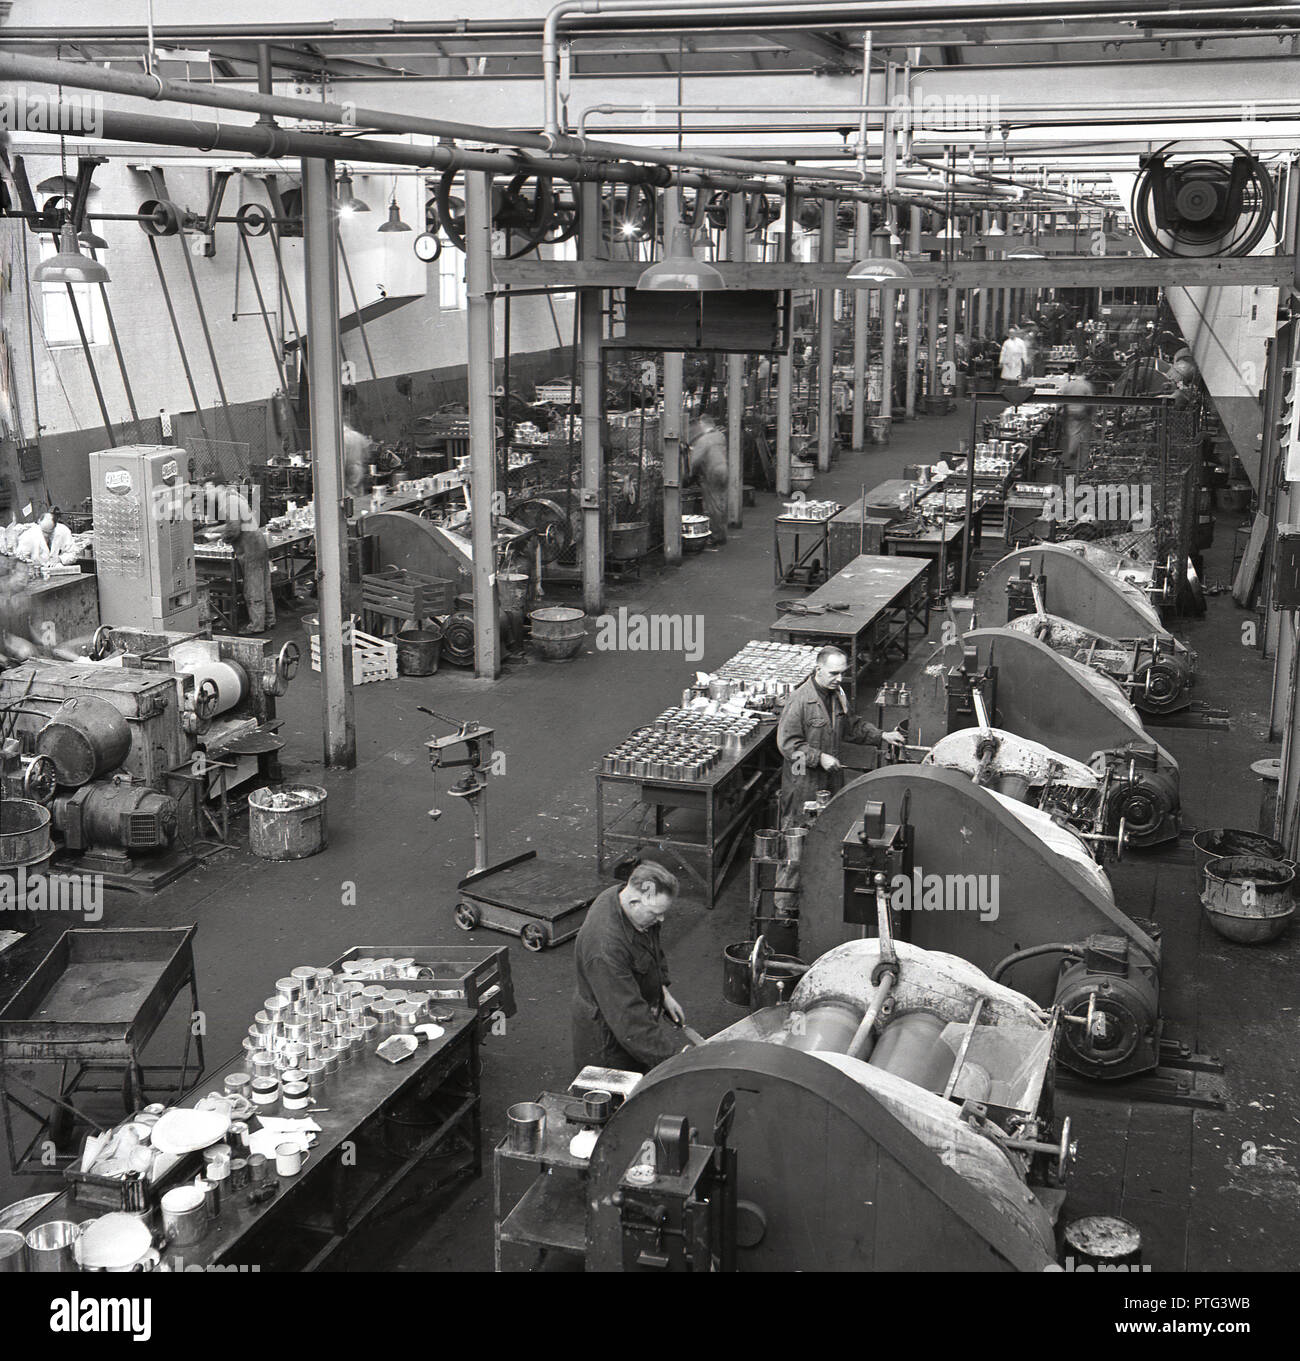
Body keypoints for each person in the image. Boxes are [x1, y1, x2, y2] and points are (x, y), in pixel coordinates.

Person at [571, 861, 701, 1074]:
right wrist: (674, 1063)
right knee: (617, 1098)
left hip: (627, 1015)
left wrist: (662, 992)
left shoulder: (627, 902)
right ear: (634, 902)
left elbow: (651, 952)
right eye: (655, 913)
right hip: (609, 1040)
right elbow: (629, 1020)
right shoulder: (605, 947)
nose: (661, 918)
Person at [221, 518, 276, 634]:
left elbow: (233, 530)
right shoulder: (238, 500)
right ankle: (269, 620)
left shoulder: (230, 502)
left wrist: (223, 538)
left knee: (253, 589)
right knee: (264, 587)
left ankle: (256, 626)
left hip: (251, 549)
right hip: (259, 545)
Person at [686, 412, 729, 547]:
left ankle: (717, 537)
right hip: (724, 471)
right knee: (720, 503)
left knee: (712, 506)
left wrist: (688, 476)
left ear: (703, 425)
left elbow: (694, 461)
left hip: (712, 473)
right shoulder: (720, 436)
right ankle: (722, 532)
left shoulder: (703, 440)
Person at [1059, 368, 1097, 475]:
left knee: (1073, 431)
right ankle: (1080, 459)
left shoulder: (1069, 385)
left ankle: (1072, 450)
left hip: (1070, 412)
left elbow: (1061, 398)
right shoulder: (1086, 385)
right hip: (1082, 412)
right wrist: (1091, 414)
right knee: (1082, 434)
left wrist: (1063, 410)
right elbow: (1091, 401)